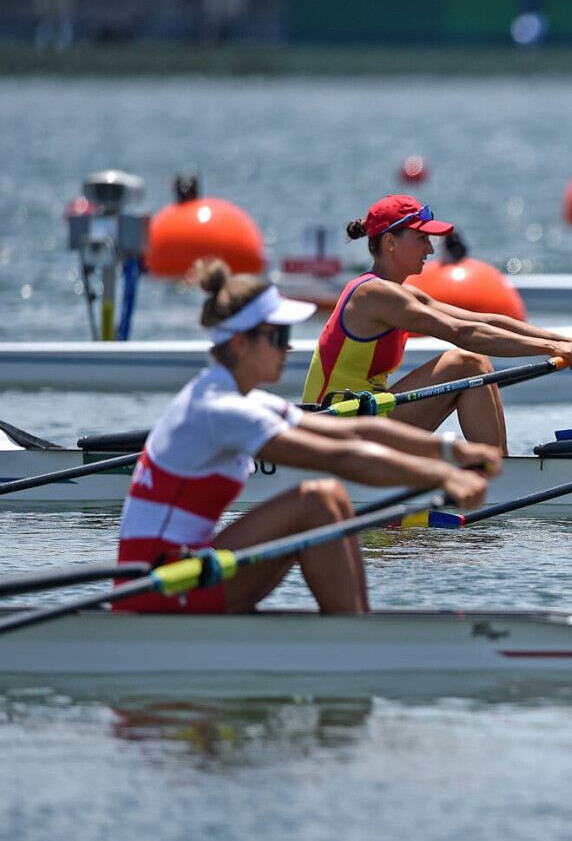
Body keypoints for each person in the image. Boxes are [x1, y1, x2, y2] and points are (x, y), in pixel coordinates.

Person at [117, 261, 500, 615]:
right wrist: (441, 475)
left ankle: (351, 627)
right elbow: (340, 458)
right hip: (160, 586)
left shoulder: (239, 398)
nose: (289, 346)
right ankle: (353, 639)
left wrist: (451, 449)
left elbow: (355, 429)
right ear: (240, 344)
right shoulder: (222, 409)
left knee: (329, 496)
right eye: (278, 335)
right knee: (317, 501)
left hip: (192, 568)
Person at [303, 195, 572, 451]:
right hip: (335, 431)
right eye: (422, 238)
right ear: (390, 242)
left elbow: (481, 319)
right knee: (467, 362)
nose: (431, 249)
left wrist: (567, 341)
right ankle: (498, 478)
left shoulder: (400, 293)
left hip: (365, 418)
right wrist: (551, 347)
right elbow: (462, 333)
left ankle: (499, 471)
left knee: (475, 363)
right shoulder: (373, 294)